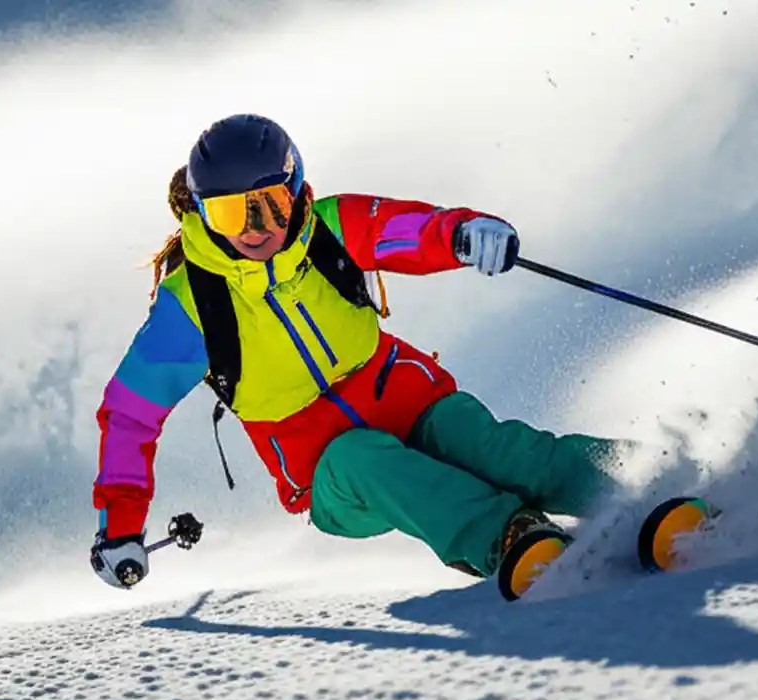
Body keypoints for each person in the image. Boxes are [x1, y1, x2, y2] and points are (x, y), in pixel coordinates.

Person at [88, 114, 621, 599]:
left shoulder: (329, 227)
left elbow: (404, 230)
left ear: (295, 192)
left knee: (496, 450)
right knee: (365, 459)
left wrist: (462, 234)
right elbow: (131, 414)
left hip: (412, 405)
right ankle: (510, 536)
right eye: (231, 214)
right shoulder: (189, 307)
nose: (257, 229)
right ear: (203, 213)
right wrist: (120, 525)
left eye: (270, 204)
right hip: (329, 475)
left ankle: (636, 486)